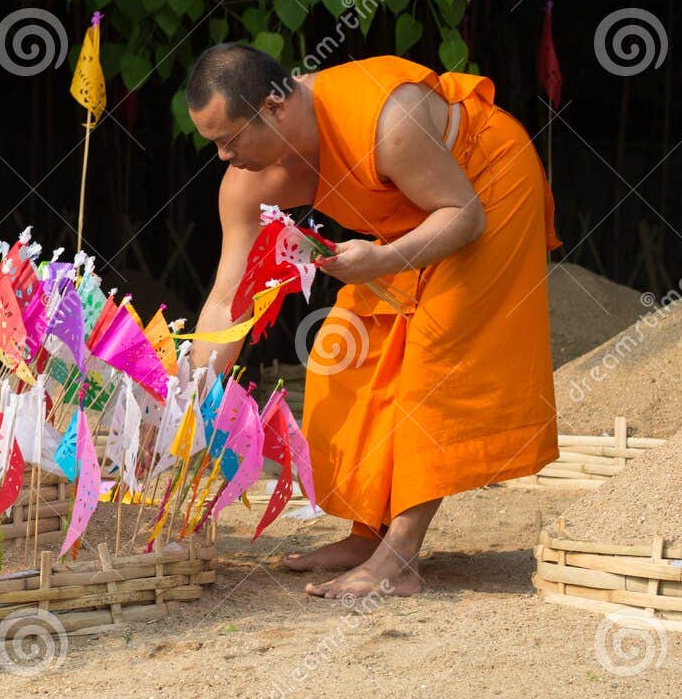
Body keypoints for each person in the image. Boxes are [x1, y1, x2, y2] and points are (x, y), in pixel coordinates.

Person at [184, 43, 559, 598]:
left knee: (435, 355)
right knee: (346, 353)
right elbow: (225, 301)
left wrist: (382, 259)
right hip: (411, 214)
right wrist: (193, 398)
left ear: (276, 105)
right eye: (212, 142)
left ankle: (400, 557)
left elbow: (464, 214)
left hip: (483, 190)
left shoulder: (387, 120)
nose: (222, 156)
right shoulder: (246, 179)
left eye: (231, 139)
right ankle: (367, 533)